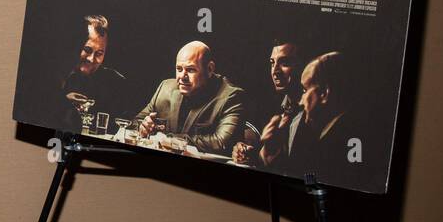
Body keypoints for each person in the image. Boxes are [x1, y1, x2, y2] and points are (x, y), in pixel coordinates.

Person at [253, 51, 353, 183]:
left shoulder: (341, 138)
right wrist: (267, 152)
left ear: (324, 93)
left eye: (305, 91)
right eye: (272, 63)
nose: (301, 101)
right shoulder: (271, 108)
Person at [135, 41, 245, 156]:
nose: (182, 76)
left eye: (191, 70)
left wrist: (167, 138)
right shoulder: (166, 87)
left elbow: (221, 142)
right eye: (179, 69)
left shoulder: (231, 96)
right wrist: (143, 126)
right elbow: (135, 122)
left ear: (210, 69)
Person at [60, 14, 131, 134]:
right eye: (87, 50)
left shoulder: (116, 84)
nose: (91, 59)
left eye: (99, 53)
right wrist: (62, 103)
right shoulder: (56, 75)